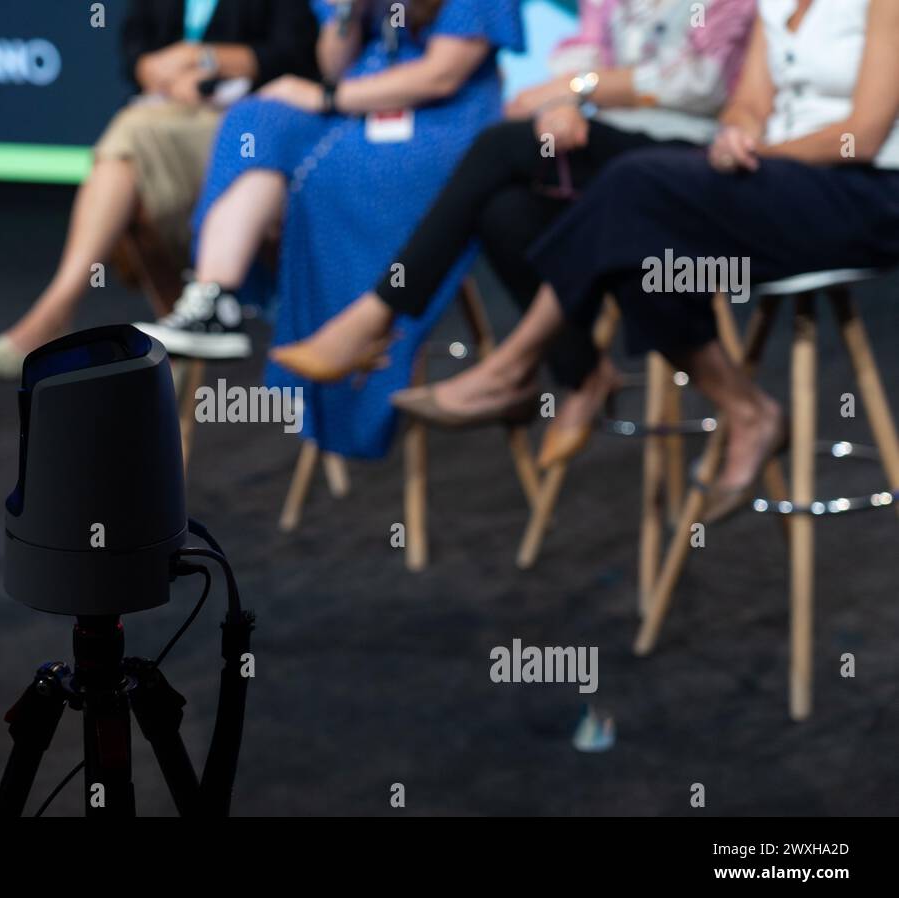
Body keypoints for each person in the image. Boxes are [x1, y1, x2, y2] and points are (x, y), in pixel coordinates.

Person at [365, 0, 899, 516]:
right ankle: (746, 409)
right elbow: (747, 103)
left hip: (863, 193)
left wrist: (755, 155)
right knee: (629, 241)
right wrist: (738, 134)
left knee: (632, 186)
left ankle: (513, 364)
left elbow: (863, 135)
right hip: (772, 176)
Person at [269, 0, 758, 468]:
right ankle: (581, 369)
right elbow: (578, 50)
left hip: (691, 152)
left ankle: (386, 317)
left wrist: (575, 89)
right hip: (606, 139)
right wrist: (568, 97)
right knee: (504, 211)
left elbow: (699, 84)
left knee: (500, 147)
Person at [135, 0, 526, 459]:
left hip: (440, 120)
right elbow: (333, 65)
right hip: (357, 108)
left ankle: (359, 336)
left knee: (340, 172)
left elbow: (441, 76)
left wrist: (327, 98)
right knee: (255, 117)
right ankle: (214, 298)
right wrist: (346, 13)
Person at [0, 0, 319, 379]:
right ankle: (170, 327)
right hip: (164, 112)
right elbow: (134, 50)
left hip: (250, 122)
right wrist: (163, 75)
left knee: (128, 139)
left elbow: (296, 56)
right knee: (125, 157)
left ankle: (60, 307)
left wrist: (203, 60)